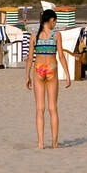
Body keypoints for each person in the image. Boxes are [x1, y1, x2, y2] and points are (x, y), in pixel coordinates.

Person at [26, 9, 69, 149]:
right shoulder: (56, 35)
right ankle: (55, 143)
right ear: (51, 20)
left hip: (38, 70)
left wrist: (27, 75)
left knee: (40, 109)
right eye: (54, 21)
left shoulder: (35, 36)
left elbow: (30, 58)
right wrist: (67, 75)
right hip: (51, 70)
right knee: (52, 109)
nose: (55, 24)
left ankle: (40, 143)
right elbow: (61, 56)